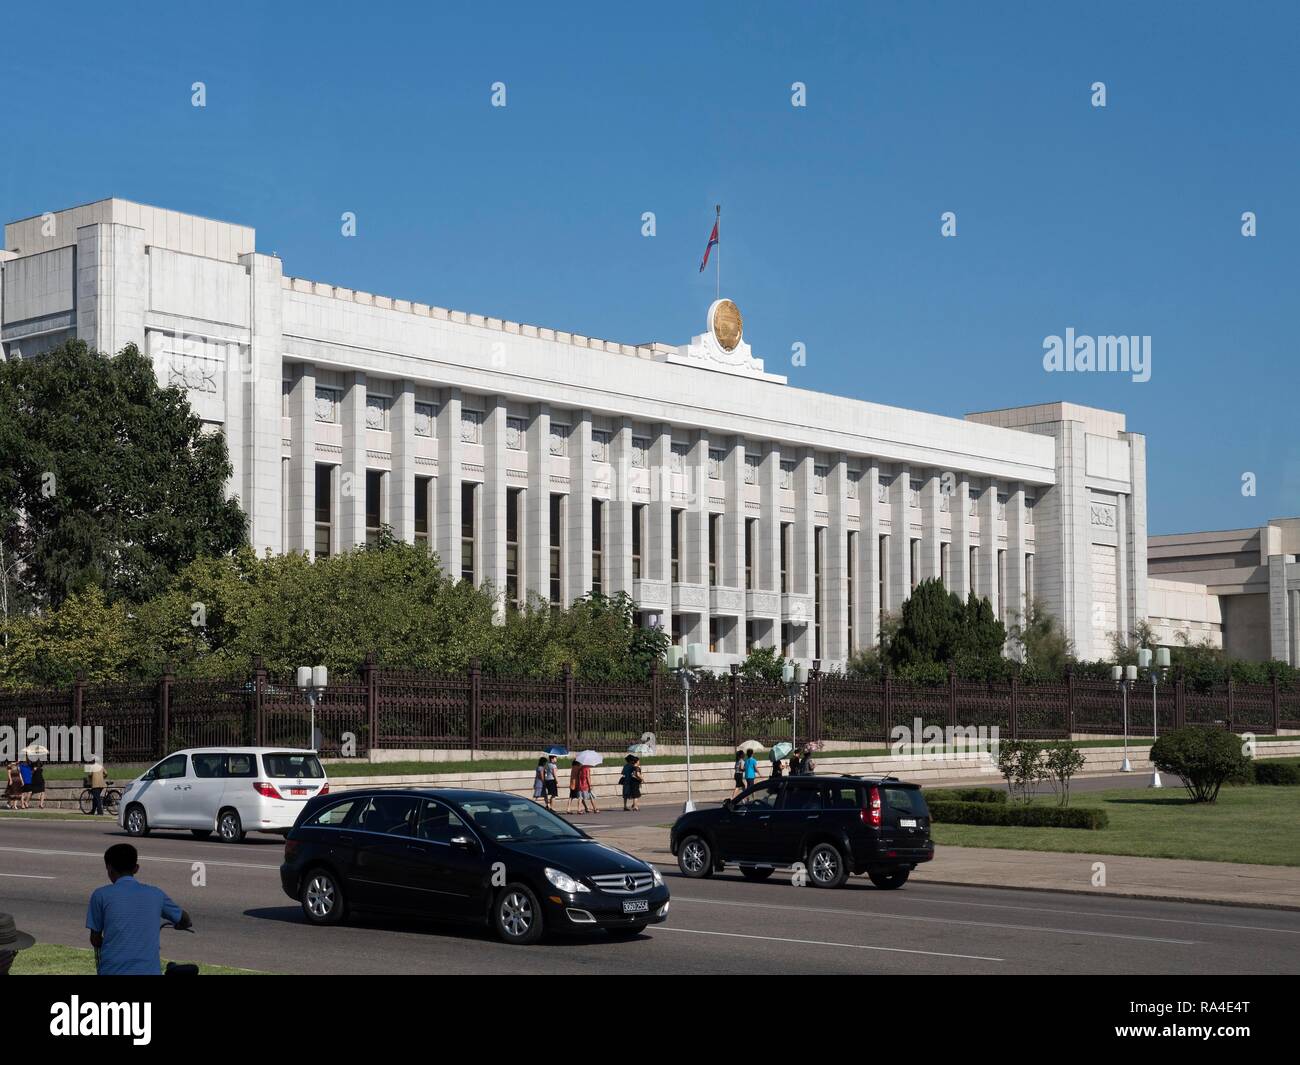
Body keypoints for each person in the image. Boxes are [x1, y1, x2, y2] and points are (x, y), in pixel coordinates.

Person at [86, 843, 191, 976]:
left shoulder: (100, 895)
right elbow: (185, 918)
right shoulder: (156, 894)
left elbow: (95, 940)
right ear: (136, 868)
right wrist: (182, 924)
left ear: (109, 868)